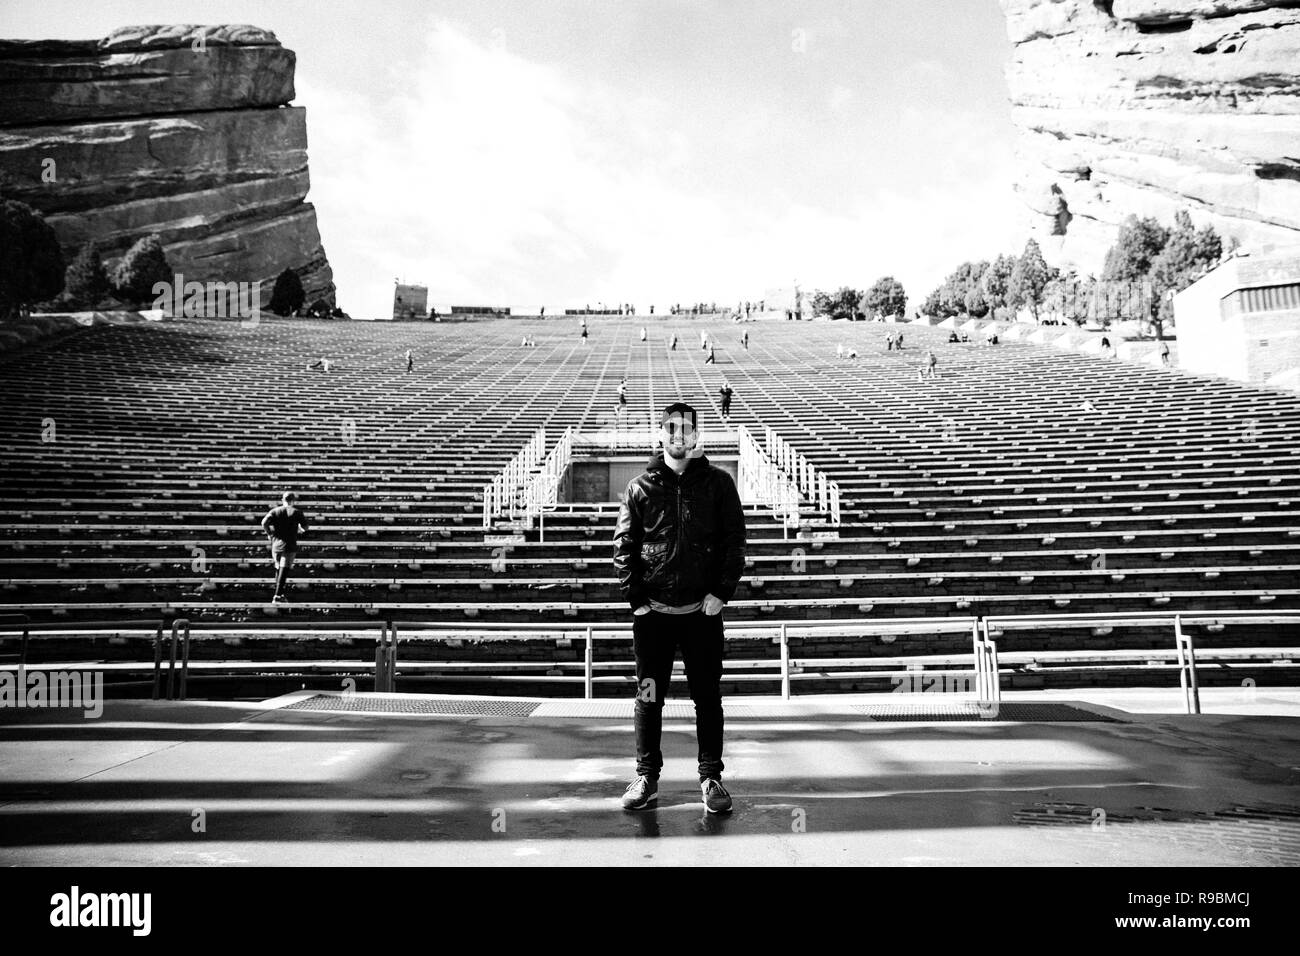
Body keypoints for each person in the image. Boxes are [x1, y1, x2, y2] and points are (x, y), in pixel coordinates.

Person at [613, 402, 746, 814]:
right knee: (649, 697)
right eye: (671, 428)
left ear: (696, 435)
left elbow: (734, 542)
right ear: (661, 433)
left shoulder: (719, 484)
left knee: (707, 697)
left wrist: (721, 593)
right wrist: (636, 600)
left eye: (686, 428)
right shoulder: (639, 488)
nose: (679, 435)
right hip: (654, 616)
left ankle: (711, 779)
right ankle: (647, 776)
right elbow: (624, 547)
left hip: (701, 615)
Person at [260, 492, 309, 603]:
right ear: (293, 501)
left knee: (278, 569)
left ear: (283, 500)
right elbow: (306, 526)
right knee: (284, 570)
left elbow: (264, 522)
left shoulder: (274, 511)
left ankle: (279, 594)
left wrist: (269, 533)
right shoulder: (297, 512)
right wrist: (300, 530)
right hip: (289, 544)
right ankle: (277, 596)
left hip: (276, 544)